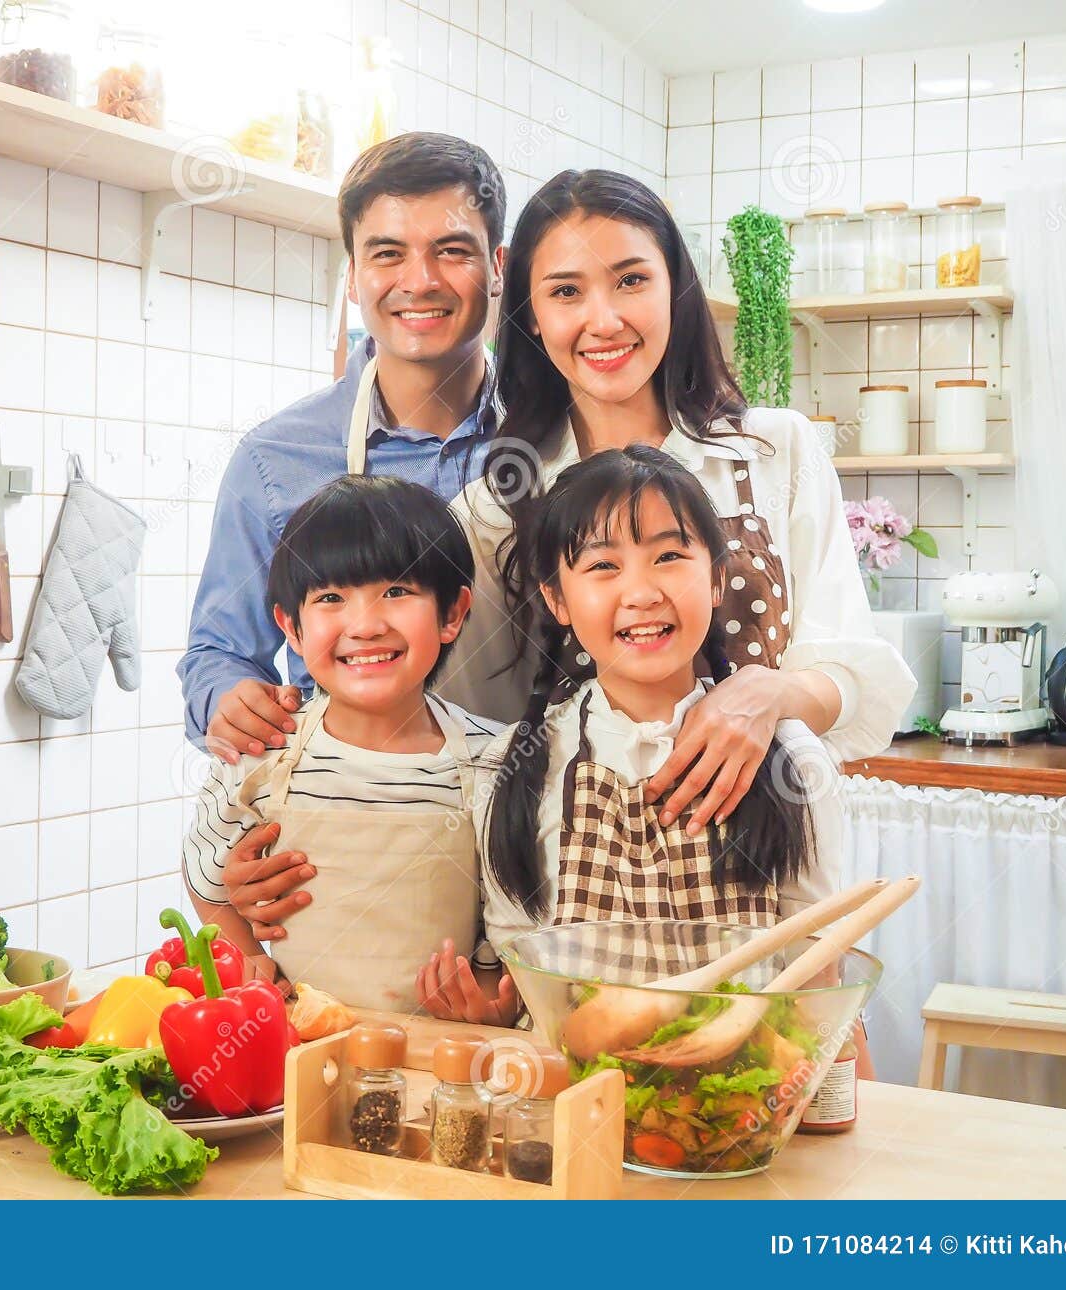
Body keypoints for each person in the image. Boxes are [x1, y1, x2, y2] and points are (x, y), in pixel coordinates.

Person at [434, 168, 914, 843]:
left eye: (631, 280)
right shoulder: (500, 504)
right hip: (574, 879)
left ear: (674, 290)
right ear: (532, 318)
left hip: (771, 856)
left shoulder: (774, 452)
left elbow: (855, 672)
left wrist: (767, 695)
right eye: (566, 292)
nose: (604, 320)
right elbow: (470, 731)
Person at [417, 447, 840, 1026]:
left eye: (669, 555)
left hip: (743, 1097)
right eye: (602, 567)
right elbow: (524, 987)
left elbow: (818, 979)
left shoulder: (790, 759)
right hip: (575, 1096)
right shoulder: (509, 769)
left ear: (717, 579)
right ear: (557, 600)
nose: (641, 593)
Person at [179, 132, 507, 765]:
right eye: (388, 253)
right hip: (348, 809)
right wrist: (227, 701)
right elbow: (217, 654)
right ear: (352, 277)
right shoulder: (273, 461)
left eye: (452, 251)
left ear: (496, 267)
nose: (420, 280)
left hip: (532, 813)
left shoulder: (559, 439)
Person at [181, 475, 502, 1014]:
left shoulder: (495, 759)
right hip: (294, 1048)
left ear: (451, 613)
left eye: (397, 592)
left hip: (439, 1057)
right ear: (293, 628)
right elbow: (206, 876)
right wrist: (244, 962)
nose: (365, 625)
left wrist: (487, 1006)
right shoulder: (264, 753)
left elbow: (511, 927)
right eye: (330, 598)